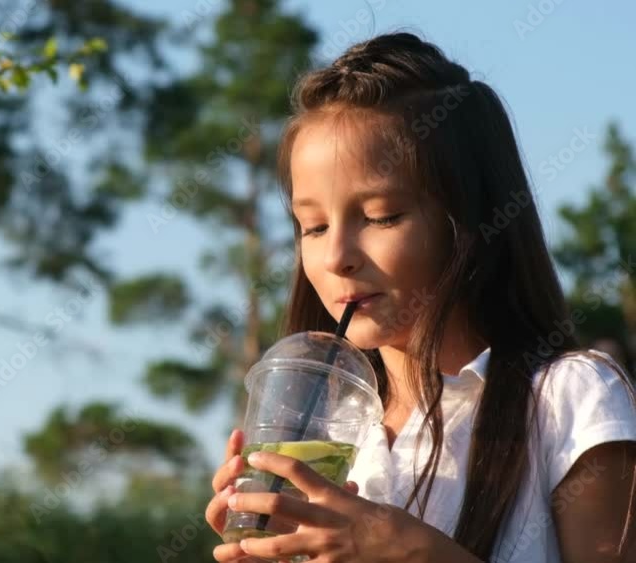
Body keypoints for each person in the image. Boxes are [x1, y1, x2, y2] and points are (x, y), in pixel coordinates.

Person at [204, 32, 636, 563]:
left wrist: (414, 552)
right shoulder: (336, 444)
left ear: (471, 221)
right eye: (312, 226)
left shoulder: (568, 399)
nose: (337, 255)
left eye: (382, 216)